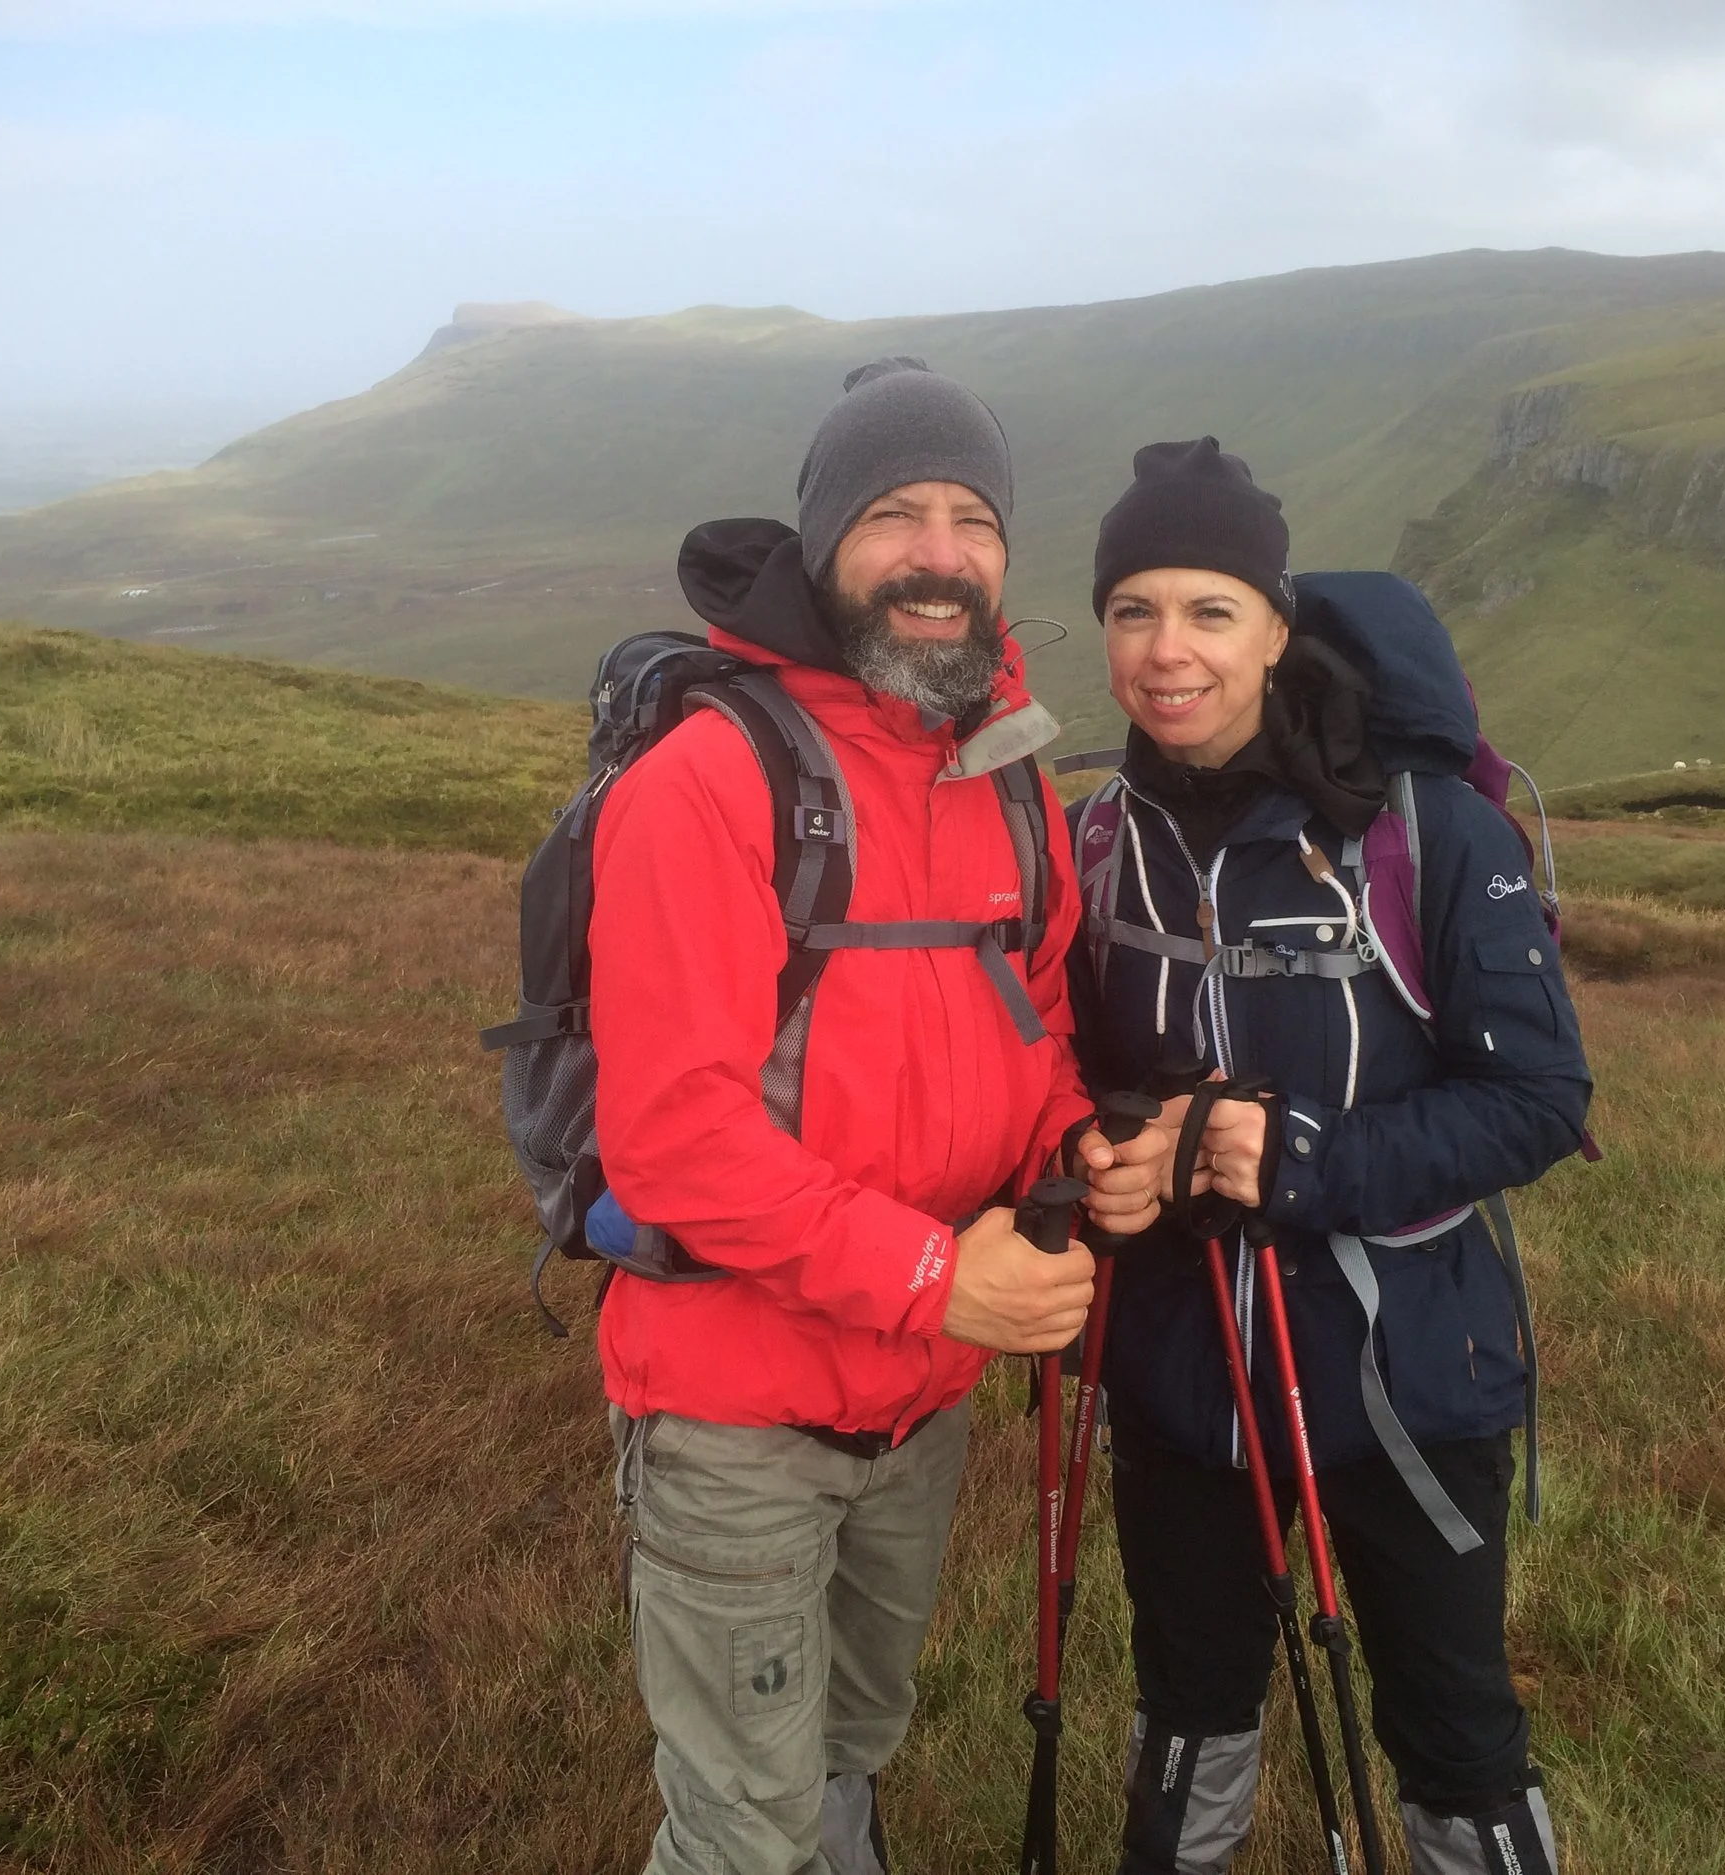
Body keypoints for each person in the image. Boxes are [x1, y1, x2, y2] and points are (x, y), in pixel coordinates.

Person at [587, 358, 1169, 1875]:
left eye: (975, 521)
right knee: (742, 1830)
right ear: (825, 538)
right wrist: (935, 1277)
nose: (940, 555)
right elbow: (674, 1140)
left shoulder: (1007, 779)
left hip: (919, 1403)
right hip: (737, 1411)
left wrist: (1074, 1146)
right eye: (897, 514)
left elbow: (1031, 1027)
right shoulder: (711, 781)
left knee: (851, 1744)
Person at [1067, 439, 1594, 1875]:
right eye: (1132, 611)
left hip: (1407, 1367)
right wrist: (1098, 1147)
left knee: (1455, 1732)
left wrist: (1300, 1153)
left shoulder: (1429, 832)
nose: (1167, 651)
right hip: (1182, 1367)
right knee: (1190, 1706)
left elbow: (1542, 1097)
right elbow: (1064, 1070)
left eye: (1210, 610)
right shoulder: (1096, 838)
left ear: (1276, 629)